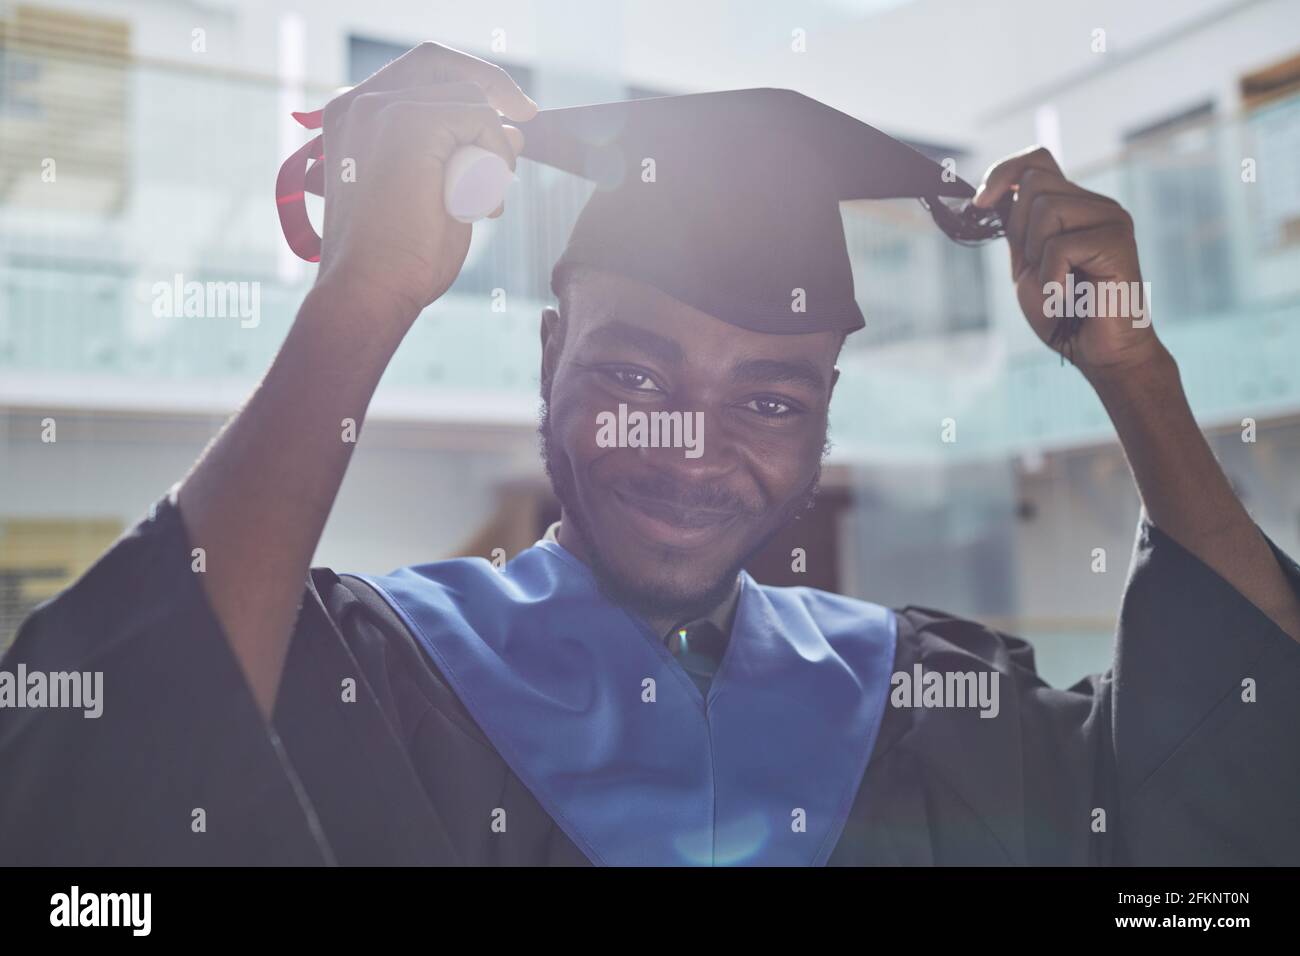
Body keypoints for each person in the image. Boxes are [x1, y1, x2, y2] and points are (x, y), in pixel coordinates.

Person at [2, 42, 1298, 866]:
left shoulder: (927, 703)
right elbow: (82, 803)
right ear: (549, 347)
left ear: (830, 410)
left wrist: (1138, 377)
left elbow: (1220, 818)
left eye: (773, 400)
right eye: (633, 374)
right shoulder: (375, 681)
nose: (694, 446)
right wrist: (363, 295)